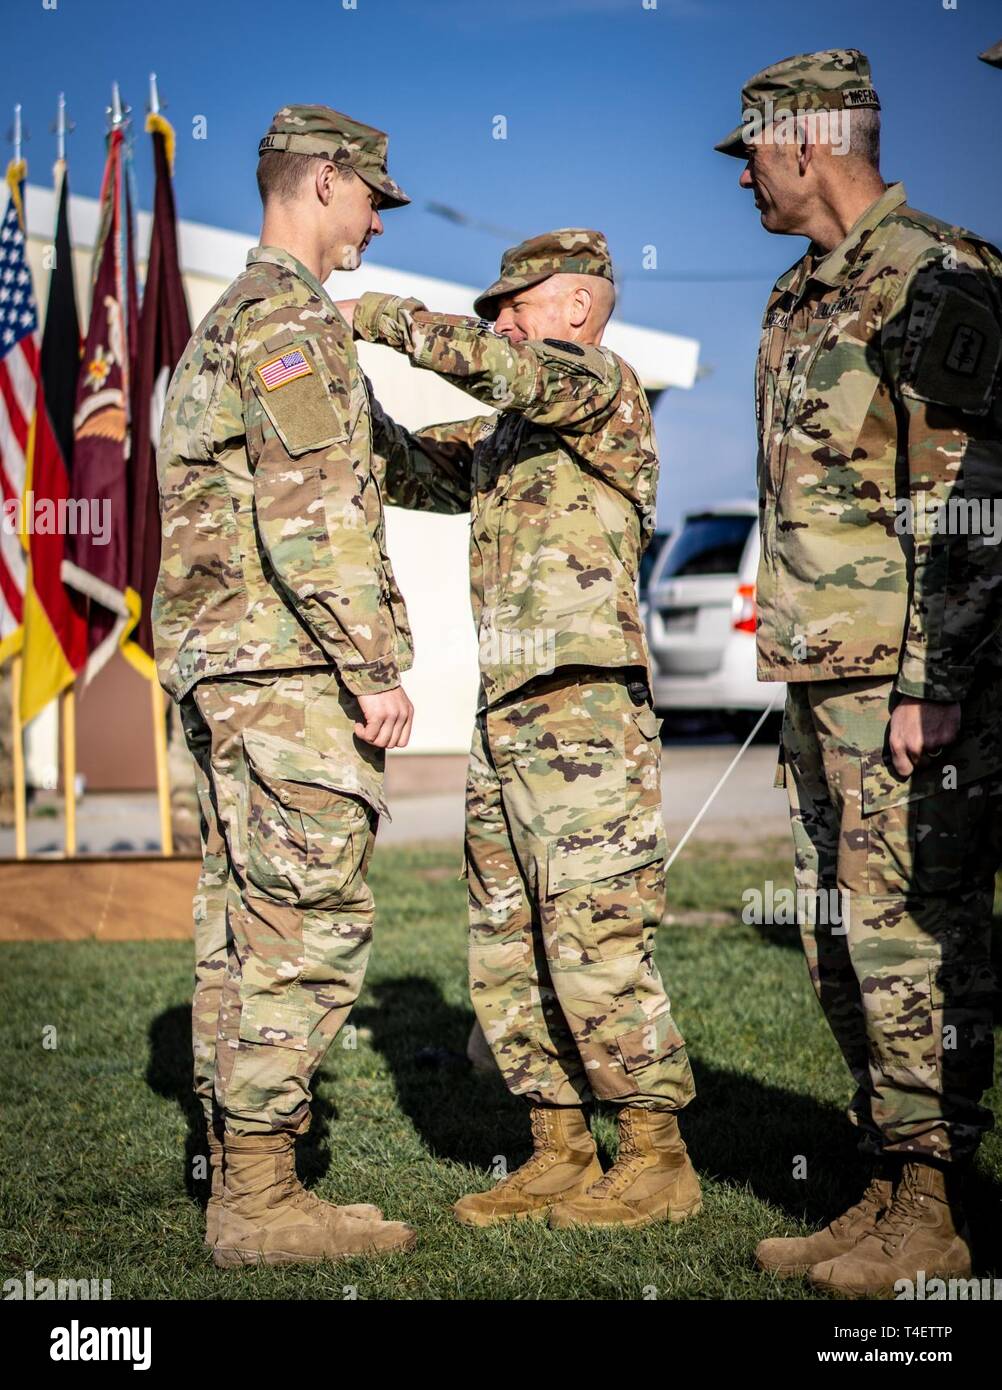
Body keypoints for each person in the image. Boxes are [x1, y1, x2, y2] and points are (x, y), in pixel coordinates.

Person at [336, 228, 701, 1230]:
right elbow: (409, 465)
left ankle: (657, 1158)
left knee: (594, 930)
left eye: (518, 301)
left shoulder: (598, 388)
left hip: (584, 708)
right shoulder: (511, 436)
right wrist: (339, 389)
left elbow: (497, 364)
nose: (501, 319)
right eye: (495, 306)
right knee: (508, 939)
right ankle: (557, 1147)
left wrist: (370, 316)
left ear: (579, 305)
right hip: (505, 709)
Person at [715, 49, 1002, 1295]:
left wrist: (933, 682)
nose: (743, 180)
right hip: (818, 681)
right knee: (840, 938)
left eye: (751, 156)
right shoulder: (796, 295)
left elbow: (970, 506)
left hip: (907, 686)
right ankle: (881, 1181)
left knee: (915, 939)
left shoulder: (941, 274)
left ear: (805, 143)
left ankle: (935, 1206)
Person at [153, 104, 419, 1267]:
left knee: (240, 924)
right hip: (286, 675)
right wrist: (373, 666)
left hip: (230, 676)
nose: (375, 216)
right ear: (322, 181)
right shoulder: (286, 322)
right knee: (304, 920)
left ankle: (244, 1175)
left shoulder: (229, 321)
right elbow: (310, 518)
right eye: (371, 194)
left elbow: (353, 468)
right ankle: (260, 1198)